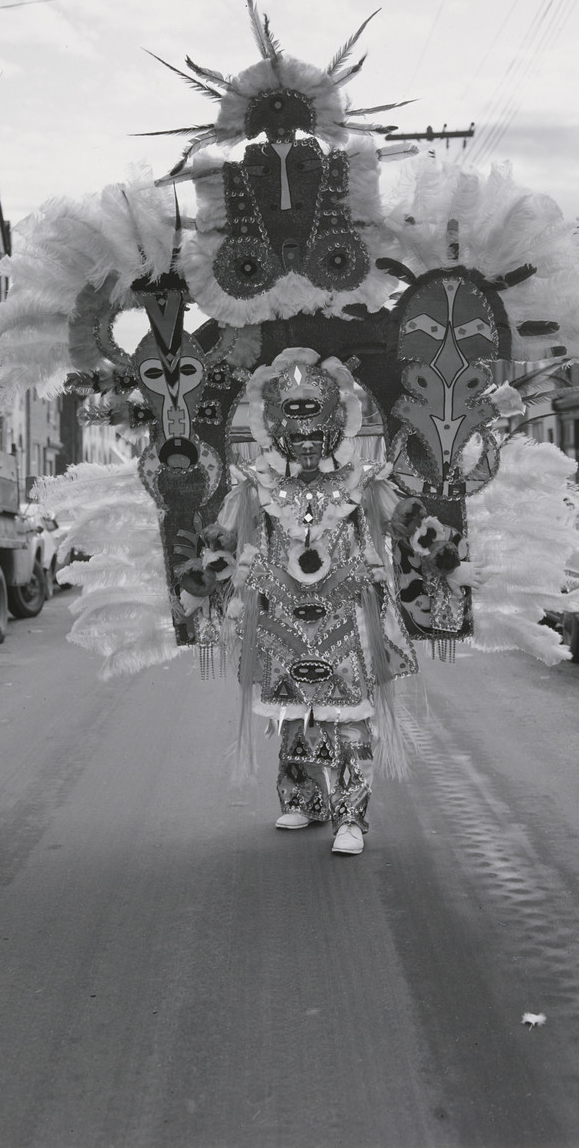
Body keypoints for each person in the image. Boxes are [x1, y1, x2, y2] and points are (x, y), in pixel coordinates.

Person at [216, 348, 431, 855]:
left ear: (335, 432)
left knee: (350, 715)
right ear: (279, 436)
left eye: (317, 437)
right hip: (282, 616)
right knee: (293, 712)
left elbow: (410, 525)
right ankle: (303, 799)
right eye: (297, 438)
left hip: (345, 618)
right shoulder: (258, 486)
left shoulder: (364, 481)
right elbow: (225, 540)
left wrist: (430, 537)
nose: (308, 448)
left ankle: (351, 817)